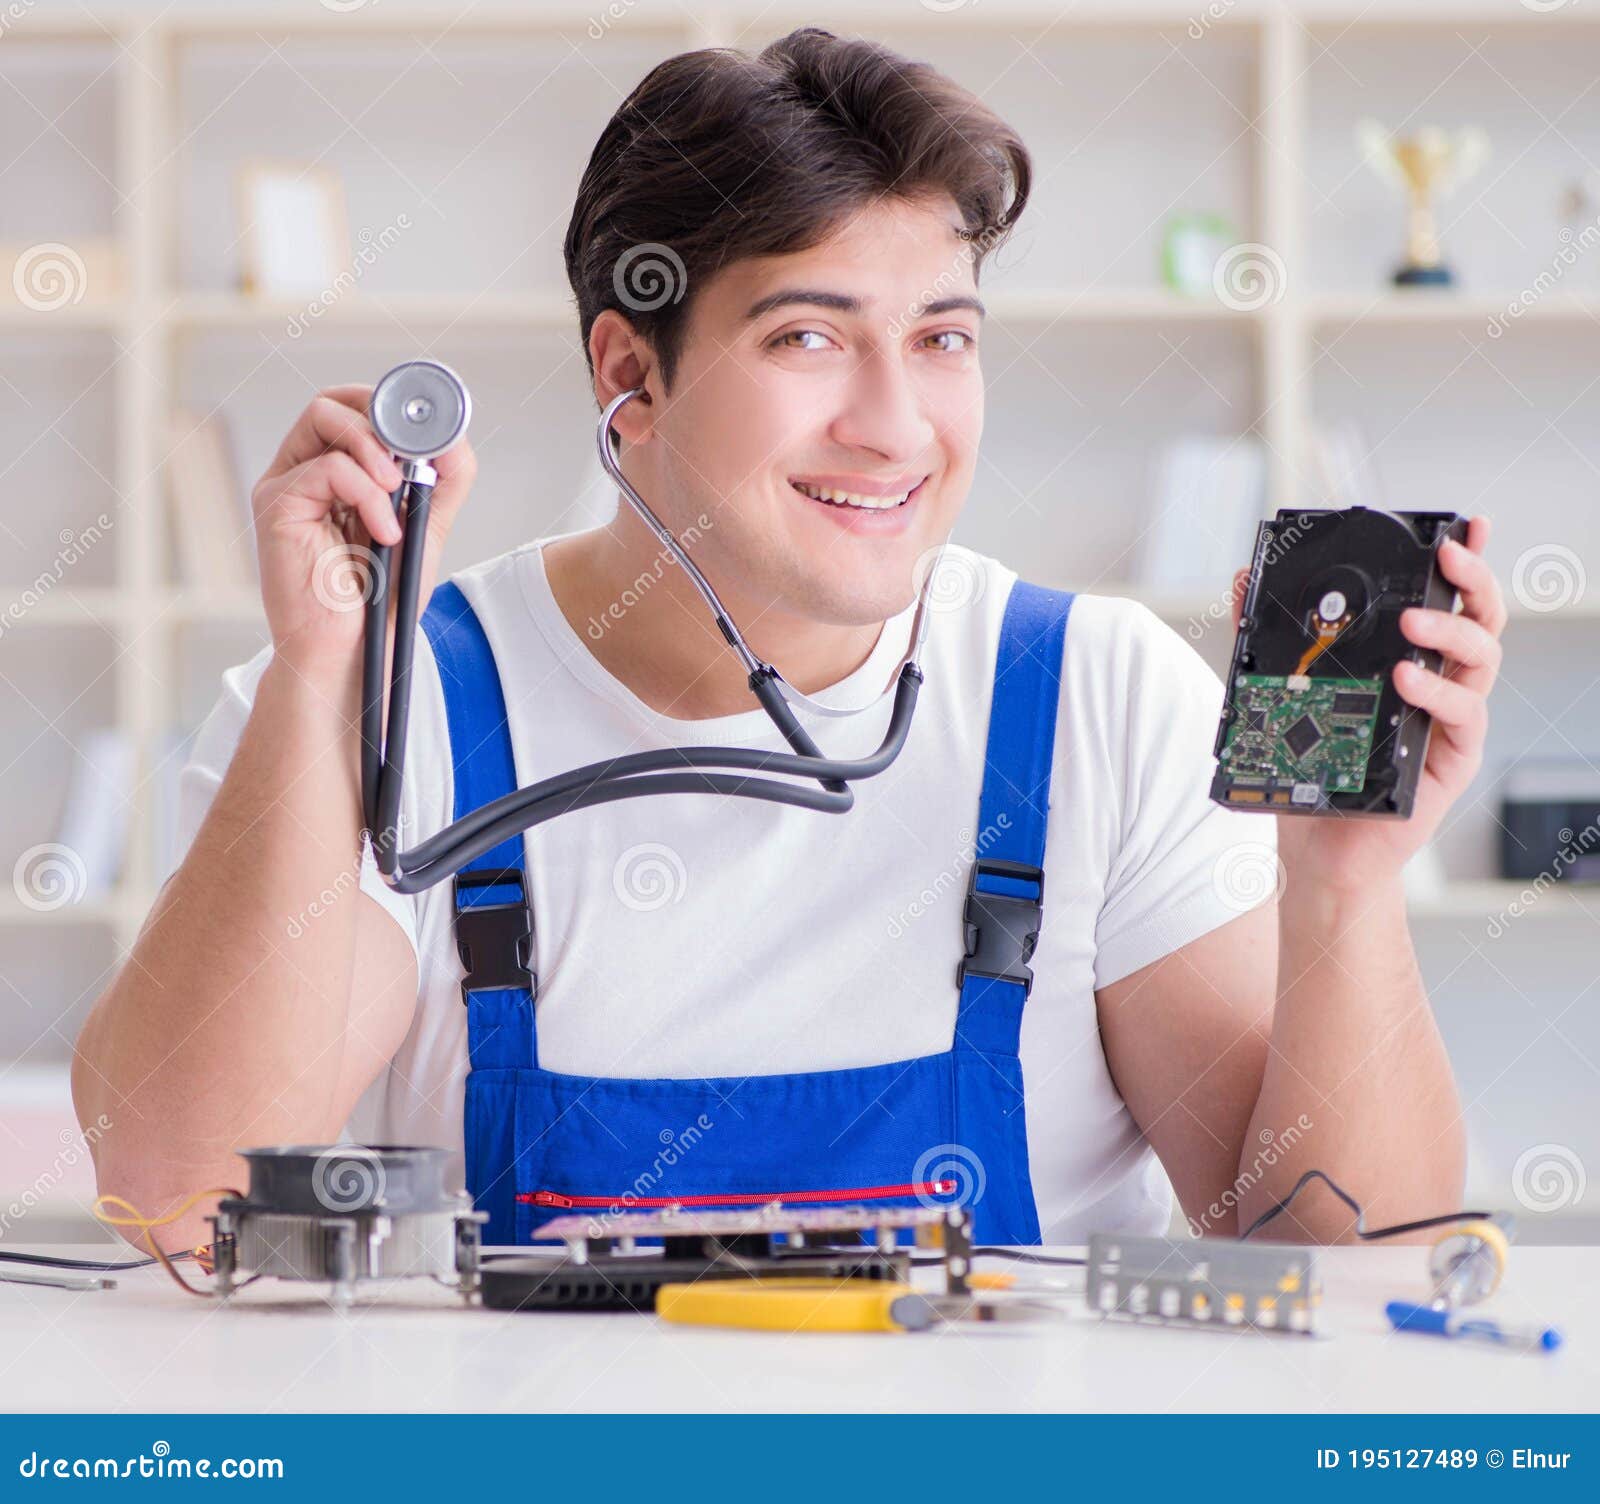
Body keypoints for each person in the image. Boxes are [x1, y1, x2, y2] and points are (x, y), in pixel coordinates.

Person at [73, 27, 1506, 1251]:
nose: (895, 426)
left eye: (942, 339)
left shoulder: (1095, 696)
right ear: (630, 374)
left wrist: (1344, 891)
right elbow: (177, 1196)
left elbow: (1341, 1265)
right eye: (808, 339)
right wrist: (324, 680)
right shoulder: (398, 707)